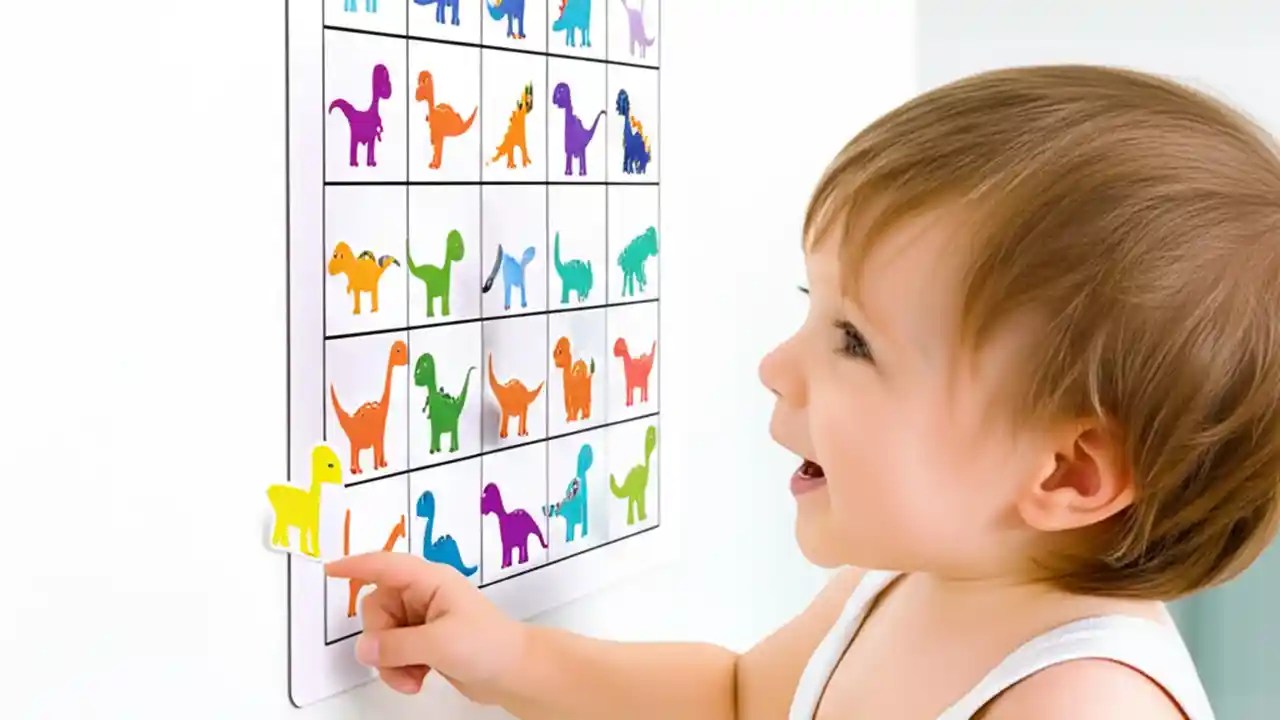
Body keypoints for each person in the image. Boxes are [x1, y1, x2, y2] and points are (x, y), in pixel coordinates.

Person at [324, 64, 1280, 719]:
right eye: (809, 309)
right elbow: (736, 699)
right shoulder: (893, 584)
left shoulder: (1084, 700)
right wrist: (513, 662)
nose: (778, 367)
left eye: (853, 340)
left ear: (1068, 471)